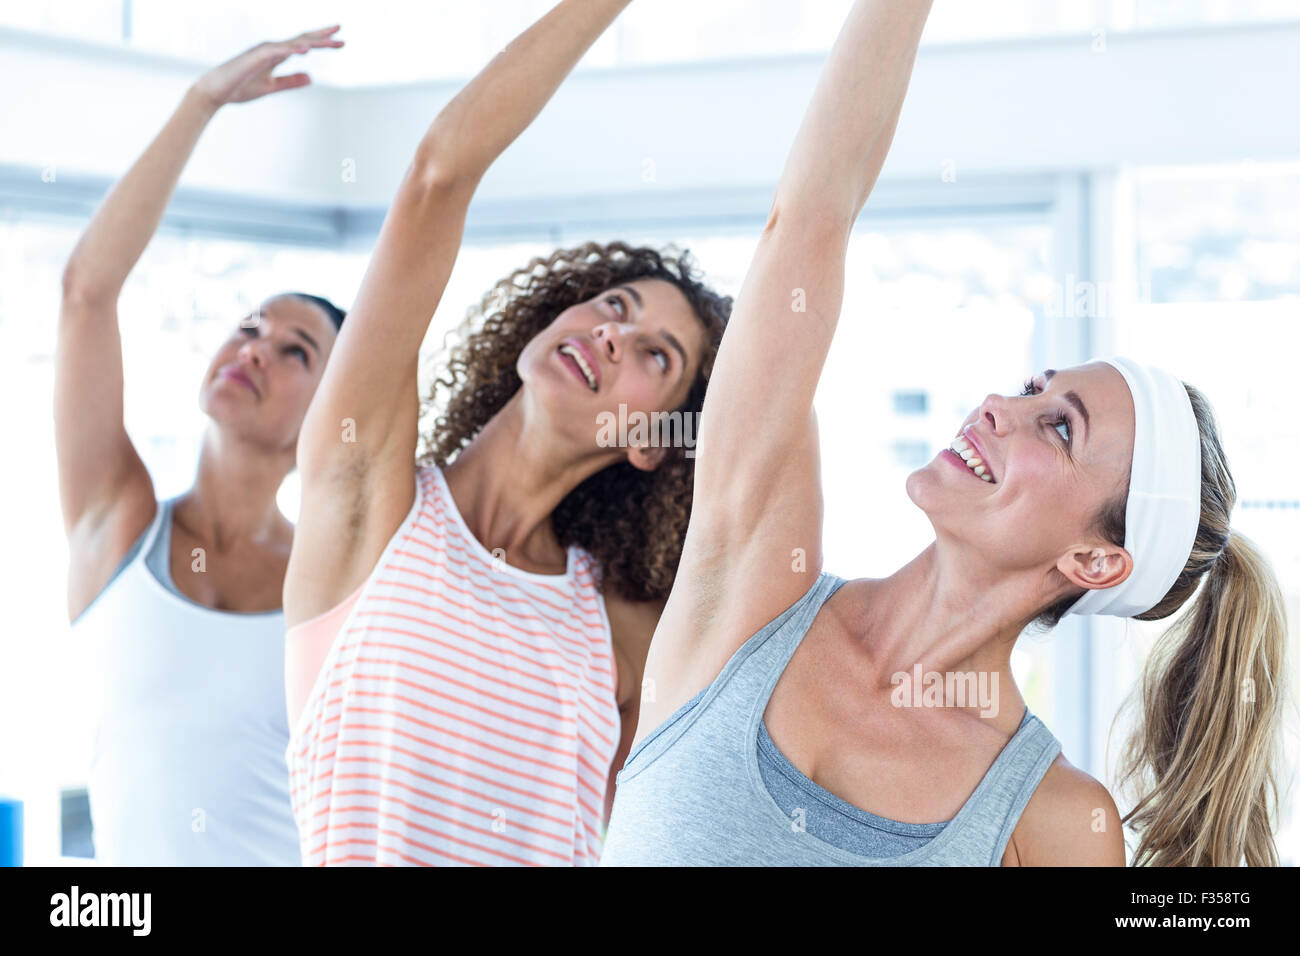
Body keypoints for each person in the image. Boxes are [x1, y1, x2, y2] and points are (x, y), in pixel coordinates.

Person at [600, 0, 1288, 867]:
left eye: (1060, 428)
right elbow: (808, 218)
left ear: (1094, 561)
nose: (1002, 404)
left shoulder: (1054, 823)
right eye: (1035, 385)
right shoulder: (748, 585)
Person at [284, 0, 730, 866]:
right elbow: (436, 174)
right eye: (614, 304)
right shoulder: (368, 498)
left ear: (652, 440)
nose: (611, 332)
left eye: (655, 355)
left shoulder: (623, 627)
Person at [56, 27, 347, 865]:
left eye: (296, 350)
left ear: (330, 411)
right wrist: (200, 103)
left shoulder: (327, 582)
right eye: (250, 325)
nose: (255, 346)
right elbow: (85, 293)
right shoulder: (117, 526)